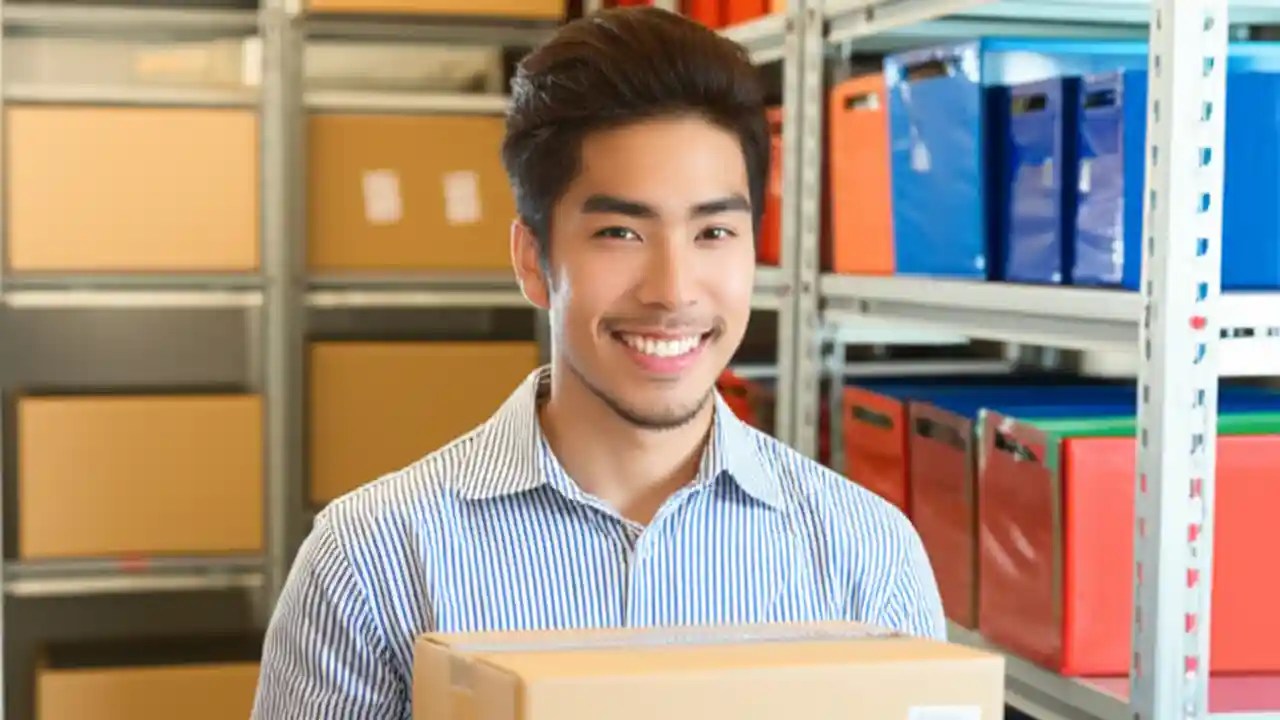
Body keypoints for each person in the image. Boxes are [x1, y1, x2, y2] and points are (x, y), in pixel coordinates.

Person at [252, 6, 944, 717]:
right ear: (533, 260)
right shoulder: (375, 562)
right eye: (620, 231)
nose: (673, 291)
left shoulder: (866, 556)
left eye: (713, 231)